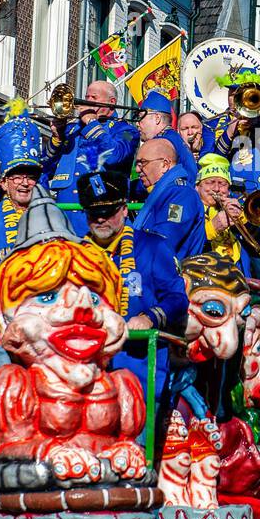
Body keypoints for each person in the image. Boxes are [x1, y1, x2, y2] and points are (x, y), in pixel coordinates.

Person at [76, 171, 187, 399]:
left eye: (107, 212)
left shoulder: (153, 246)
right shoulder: (75, 254)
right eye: (93, 213)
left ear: (124, 210)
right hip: (87, 364)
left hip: (139, 363)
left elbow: (177, 298)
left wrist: (149, 318)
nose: (100, 219)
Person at [0, 107, 45, 380]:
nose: (24, 183)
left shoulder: (50, 214)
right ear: (3, 182)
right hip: (0, 320)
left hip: (41, 321)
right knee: (2, 386)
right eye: (17, 176)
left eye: (30, 175)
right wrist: (26, 257)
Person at [44, 79, 140, 235]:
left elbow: (115, 156)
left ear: (111, 102)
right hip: (64, 220)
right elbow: (45, 168)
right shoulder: (72, 130)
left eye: (93, 98)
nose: (87, 102)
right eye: (86, 97)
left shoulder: (127, 131)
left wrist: (91, 122)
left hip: (99, 219)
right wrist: (57, 138)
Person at [133, 137, 205, 260]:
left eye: (142, 163)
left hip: (170, 275)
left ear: (164, 165)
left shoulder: (182, 195)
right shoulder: (167, 192)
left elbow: (165, 238)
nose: (137, 169)